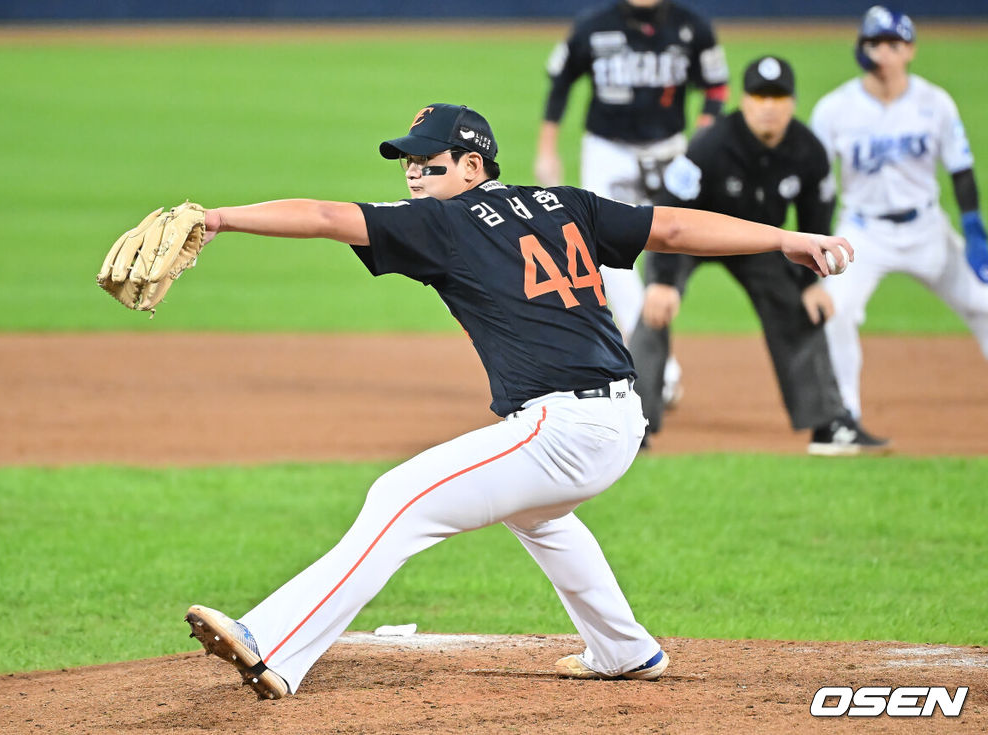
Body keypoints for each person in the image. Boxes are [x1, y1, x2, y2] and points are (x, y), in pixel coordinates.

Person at [182, 103, 852, 699]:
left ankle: (271, 638)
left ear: (472, 164)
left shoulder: (443, 225)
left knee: (398, 497)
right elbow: (668, 229)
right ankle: (624, 648)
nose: (414, 175)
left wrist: (217, 218)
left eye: (428, 162)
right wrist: (784, 237)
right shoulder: (565, 202)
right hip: (616, 419)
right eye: (407, 163)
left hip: (567, 426)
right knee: (537, 516)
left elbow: (329, 217)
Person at [629, 57, 890, 456]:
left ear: (793, 102)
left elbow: (813, 220)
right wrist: (662, 281)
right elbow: (667, 211)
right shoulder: (709, 145)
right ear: (744, 101)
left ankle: (829, 426)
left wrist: (811, 284)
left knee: (801, 309)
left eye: (779, 96)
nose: (769, 105)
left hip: (755, 243)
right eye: (760, 95)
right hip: (691, 236)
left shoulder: (808, 150)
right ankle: (633, 426)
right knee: (655, 310)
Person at [533, 0, 730, 403]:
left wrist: (703, 138)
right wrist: (547, 148)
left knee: (669, 248)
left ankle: (650, 363)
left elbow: (717, 85)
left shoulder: (692, 27)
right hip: (608, 152)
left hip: (670, 150)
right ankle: (660, 370)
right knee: (604, 252)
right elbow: (560, 83)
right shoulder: (592, 25)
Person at [812, 6, 988, 421]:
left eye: (894, 44)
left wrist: (974, 231)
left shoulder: (935, 103)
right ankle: (845, 414)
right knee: (836, 311)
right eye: (874, 44)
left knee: (984, 300)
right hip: (862, 234)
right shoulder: (834, 109)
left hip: (928, 230)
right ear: (862, 51)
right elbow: (820, 188)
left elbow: (961, 171)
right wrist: (817, 236)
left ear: (910, 50)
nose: (884, 54)